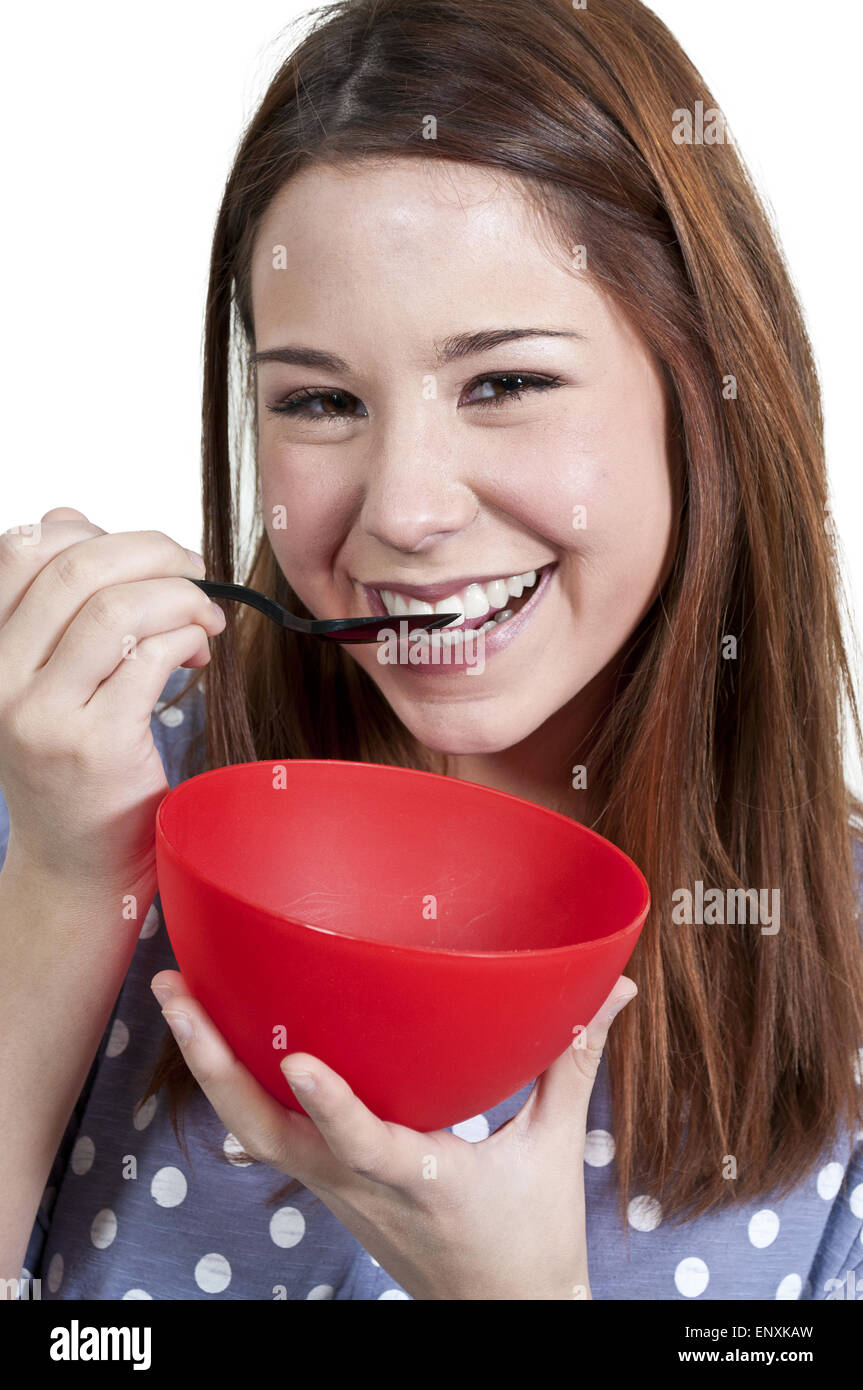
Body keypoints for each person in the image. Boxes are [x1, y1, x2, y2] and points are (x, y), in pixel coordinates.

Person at [2, 0, 862, 1301]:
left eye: (504, 383)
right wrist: (66, 879)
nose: (403, 507)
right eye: (322, 400)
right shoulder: (76, 783)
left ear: (708, 391)